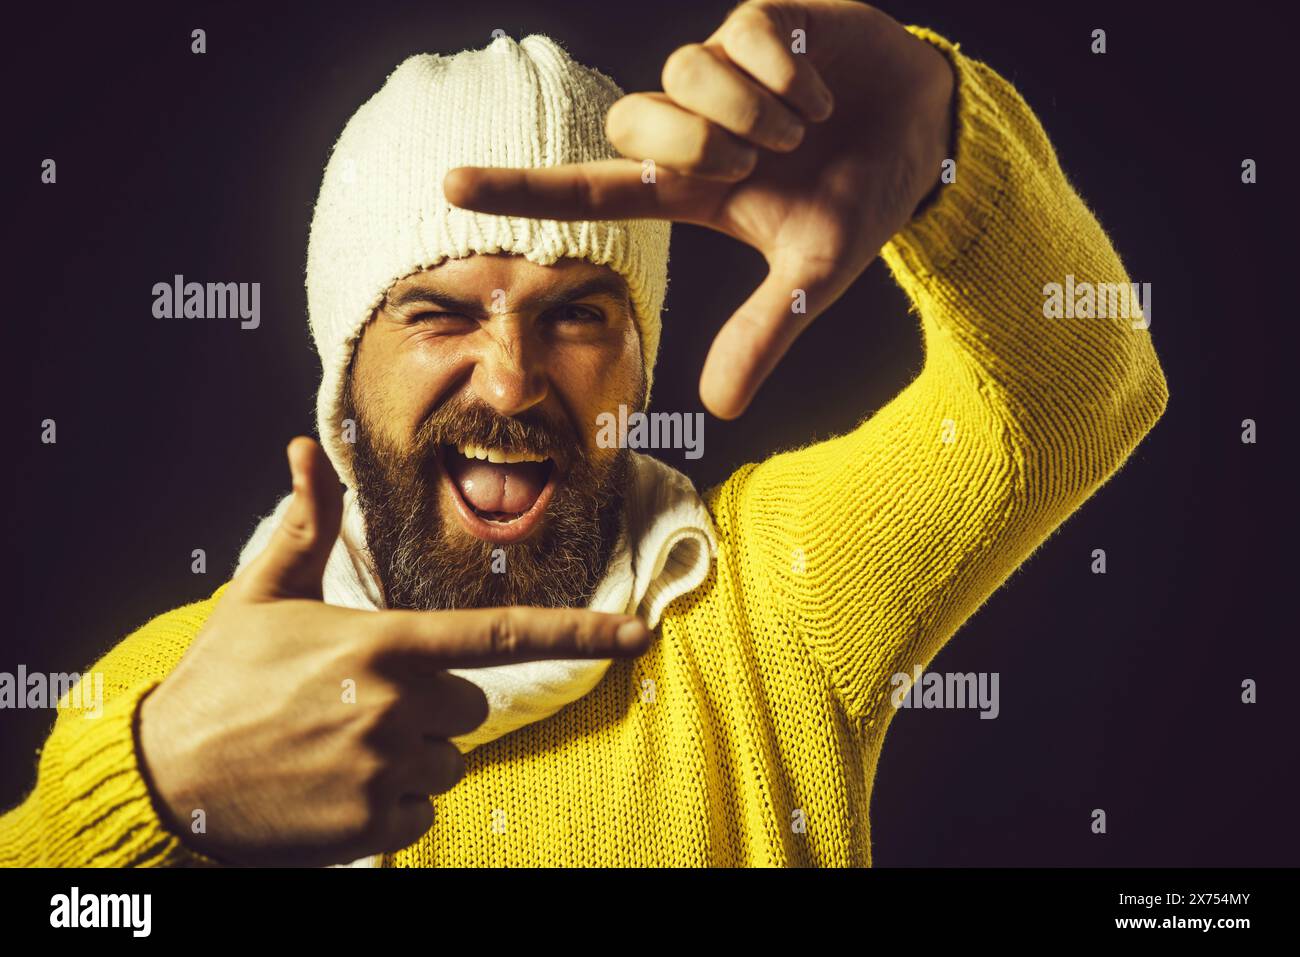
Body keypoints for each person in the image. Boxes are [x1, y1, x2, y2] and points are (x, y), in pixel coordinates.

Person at [1, 0, 1167, 867]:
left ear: (639, 357)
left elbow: (1087, 384)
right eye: (438, 314)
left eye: (576, 315)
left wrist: (939, 145)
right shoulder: (178, 693)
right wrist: (146, 794)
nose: (509, 385)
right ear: (340, 379)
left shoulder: (766, 601)